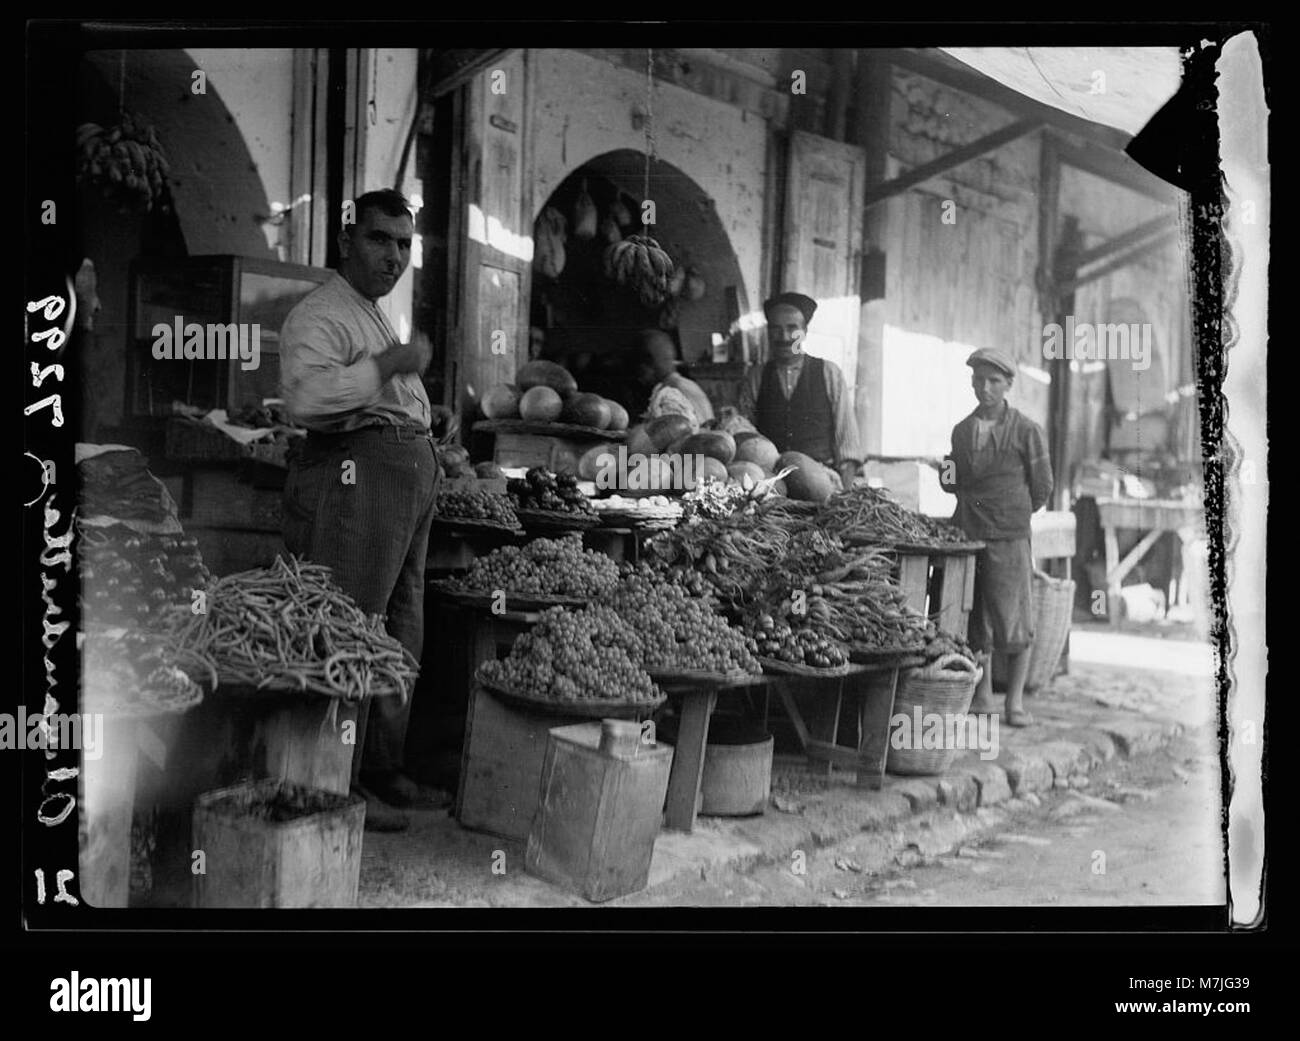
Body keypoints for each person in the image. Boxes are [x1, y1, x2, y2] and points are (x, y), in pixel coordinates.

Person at [279, 188, 447, 831]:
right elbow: (308, 402)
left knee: (402, 625)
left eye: (404, 244)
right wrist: (388, 367)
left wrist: (424, 413)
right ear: (347, 240)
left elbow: (386, 395)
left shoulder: (372, 313)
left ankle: (382, 767)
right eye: (380, 239)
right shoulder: (320, 314)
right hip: (358, 477)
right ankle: (338, 784)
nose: (394, 256)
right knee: (352, 627)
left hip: (404, 476)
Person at [938, 347, 1053, 727]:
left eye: (994, 381)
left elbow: (1042, 488)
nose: (985, 388)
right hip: (969, 532)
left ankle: (1014, 702)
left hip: (1009, 535)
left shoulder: (1026, 431)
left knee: (1013, 616)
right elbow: (952, 486)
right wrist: (945, 471)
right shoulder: (962, 430)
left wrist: (1011, 512)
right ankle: (982, 695)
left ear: (1007, 385)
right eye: (978, 380)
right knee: (975, 616)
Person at [738, 292, 864, 488]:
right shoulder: (756, 376)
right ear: (768, 333)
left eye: (792, 328)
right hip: (771, 484)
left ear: (804, 331)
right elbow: (744, 432)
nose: (784, 337)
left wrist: (843, 496)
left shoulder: (829, 373)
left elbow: (848, 445)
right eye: (776, 329)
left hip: (822, 481)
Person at [634, 329, 715, 430]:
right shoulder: (671, 389)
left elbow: (700, 432)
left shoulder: (677, 391)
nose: (639, 374)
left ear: (650, 364)